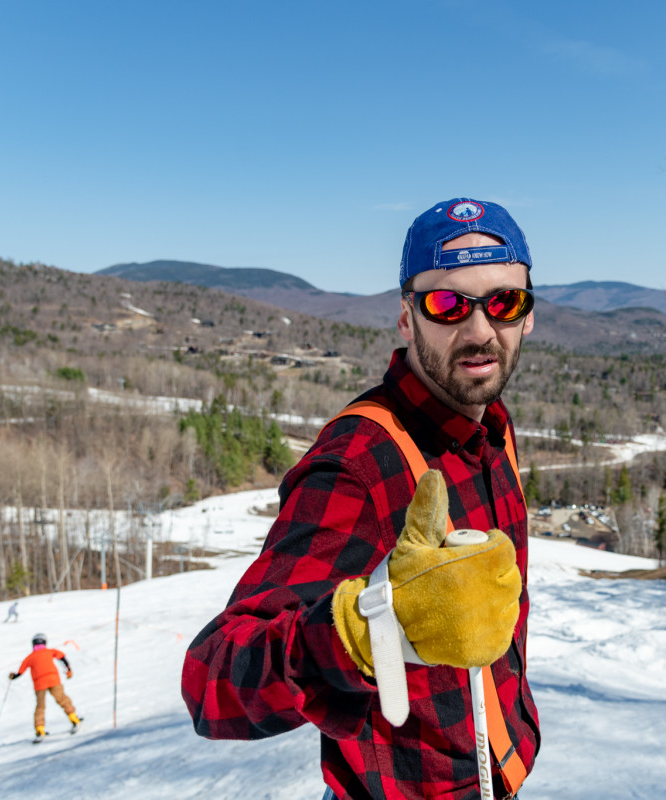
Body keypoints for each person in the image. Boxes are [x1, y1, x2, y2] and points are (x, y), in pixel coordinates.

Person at [183, 198, 540, 799]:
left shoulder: (489, 429)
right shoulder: (359, 463)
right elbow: (214, 682)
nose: (481, 331)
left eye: (505, 302)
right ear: (407, 319)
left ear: (528, 316)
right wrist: (370, 631)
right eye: (447, 303)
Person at [8, 633, 82, 741]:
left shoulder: (30, 657)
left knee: (40, 706)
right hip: (53, 680)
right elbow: (62, 656)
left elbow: (20, 672)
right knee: (62, 699)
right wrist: (68, 669)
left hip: (39, 684)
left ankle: (40, 730)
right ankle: (74, 719)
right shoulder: (49, 652)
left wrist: (13, 677)